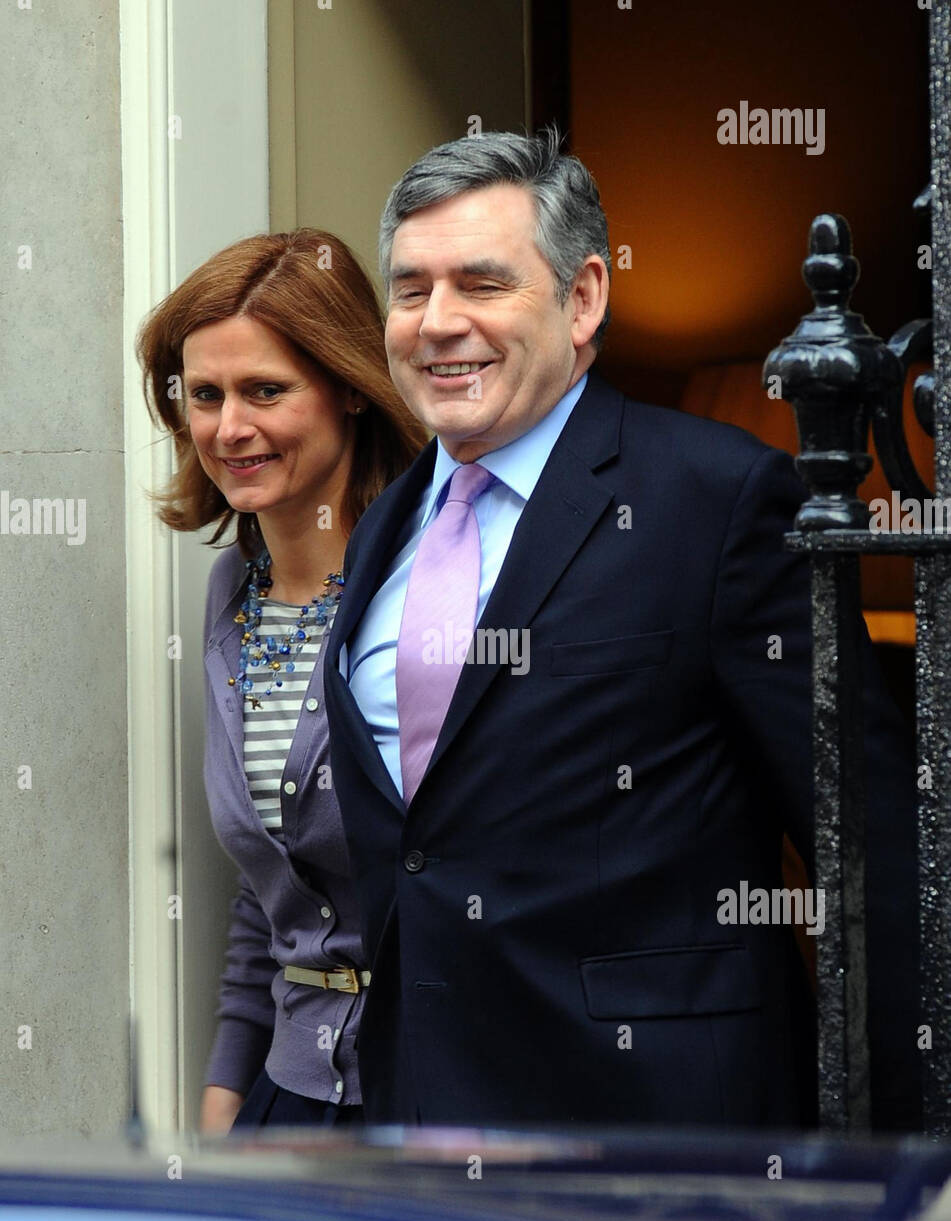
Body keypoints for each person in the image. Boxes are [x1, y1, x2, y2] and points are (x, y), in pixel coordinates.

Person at [323, 130, 920, 1131]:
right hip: (426, 1126)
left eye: (481, 282)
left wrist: (911, 1159)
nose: (438, 322)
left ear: (585, 296)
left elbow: (871, 846)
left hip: (662, 1141)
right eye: (411, 287)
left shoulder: (713, 497)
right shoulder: (387, 524)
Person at [137, 229, 425, 1132]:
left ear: (349, 384)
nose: (231, 428)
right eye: (207, 395)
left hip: (432, 1093)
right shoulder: (232, 598)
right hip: (290, 1093)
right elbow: (270, 901)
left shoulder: (432, 584)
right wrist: (226, 1108)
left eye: (266, 390)